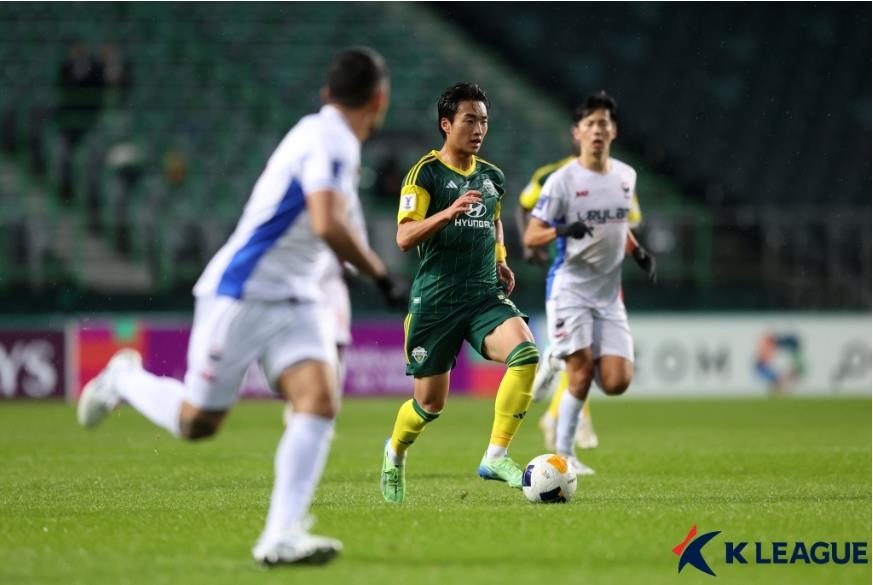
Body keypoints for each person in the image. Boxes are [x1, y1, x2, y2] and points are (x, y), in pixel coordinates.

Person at [77, 47, 405, 566]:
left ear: (328, 93)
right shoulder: (331, 140)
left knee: (318, 401)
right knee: (197, 424)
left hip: (295, 297)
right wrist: (381, 275)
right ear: (380, 99)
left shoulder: (322, 134)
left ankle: (280, 536)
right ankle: (123, 378)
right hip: (244, 290)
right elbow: (325, 221)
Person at [379, 82, 540, 504]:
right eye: (470, 120)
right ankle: (394, 454)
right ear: (446, 124)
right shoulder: (425, 174)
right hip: (436, 301)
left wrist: (501, 258)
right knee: (429, 406)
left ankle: (496, 455)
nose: (479, 128)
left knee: (526, 355)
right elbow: (403, 236)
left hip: (483, 294)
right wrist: (448, 213)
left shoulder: (492, 177)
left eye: (484, 120)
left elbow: (495, 218)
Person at [522, 91, 655, 475]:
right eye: (591, 124)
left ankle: (558, 355)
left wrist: (638, 251)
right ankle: (564, 456)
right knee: (581, 373)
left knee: (616, 381)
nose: (598, 130)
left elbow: (619, 226)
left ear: (614, 131)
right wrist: (564, 228)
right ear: (577, 133)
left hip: (608, 295)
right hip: (571, 287)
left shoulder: (626, 176)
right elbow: (531, 236)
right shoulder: (562, 181)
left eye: (604, 123)